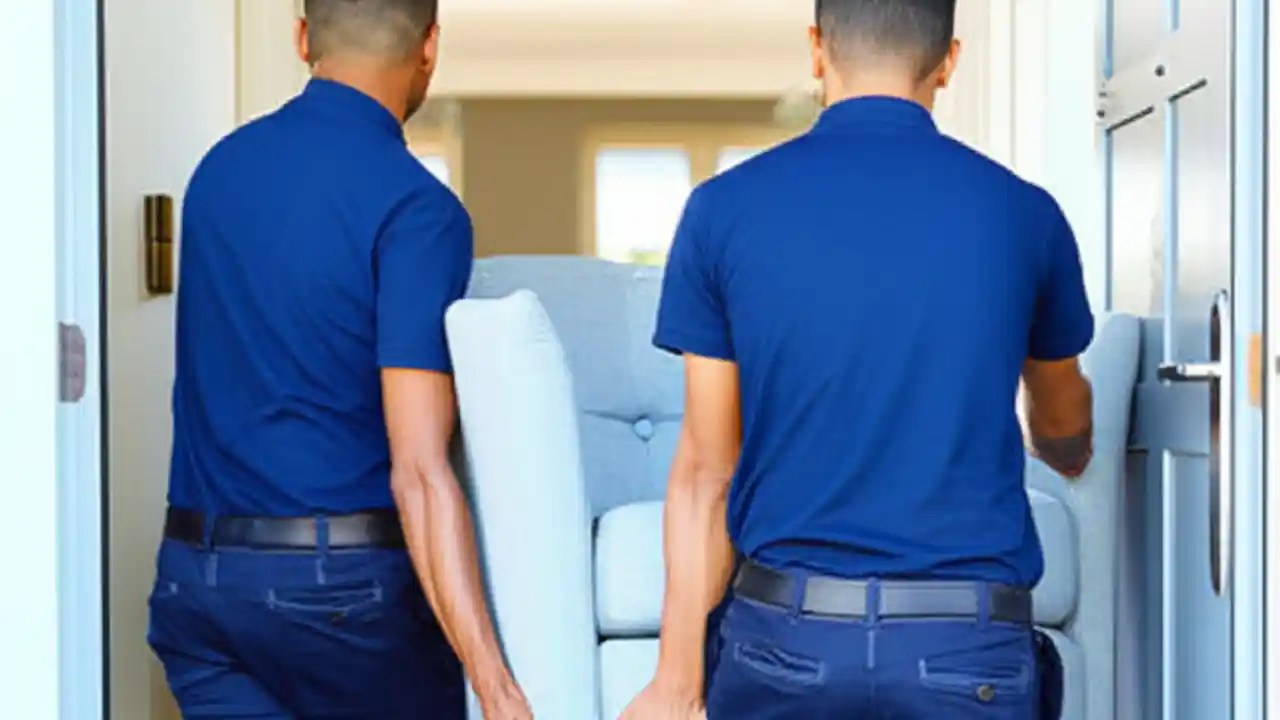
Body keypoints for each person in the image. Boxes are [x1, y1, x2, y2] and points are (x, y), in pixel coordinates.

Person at [621, 0, 1093, 717]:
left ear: (817, 49)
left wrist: (675, 680)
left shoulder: (722, 210)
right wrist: (1070, 440)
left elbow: (705, 473)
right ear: (949, 61)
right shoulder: (1025, 214)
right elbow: (1062, 430)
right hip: (967, 651)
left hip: (784, 643)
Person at [146, 2, 532, 718]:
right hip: (340, 603)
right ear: (429, 47)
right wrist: (494, 681)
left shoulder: (217, 174)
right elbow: (419, 467)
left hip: (198, 587)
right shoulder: (418, 209)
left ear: (302, 38)